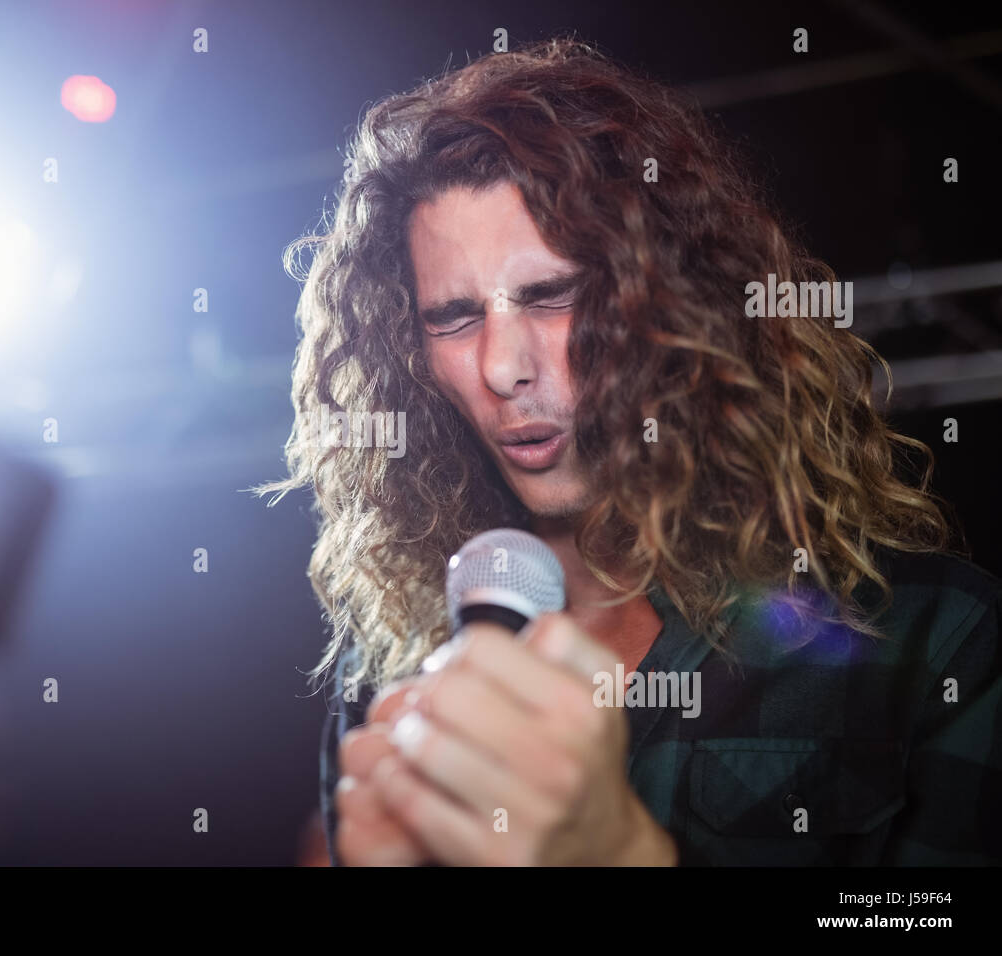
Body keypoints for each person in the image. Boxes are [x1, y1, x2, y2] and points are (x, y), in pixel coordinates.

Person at [256, 37, 1002, 866]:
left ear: (673, 304)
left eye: (554, 297)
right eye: (454, 317)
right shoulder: (391, 676)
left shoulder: (933, 636)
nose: (504, 367)